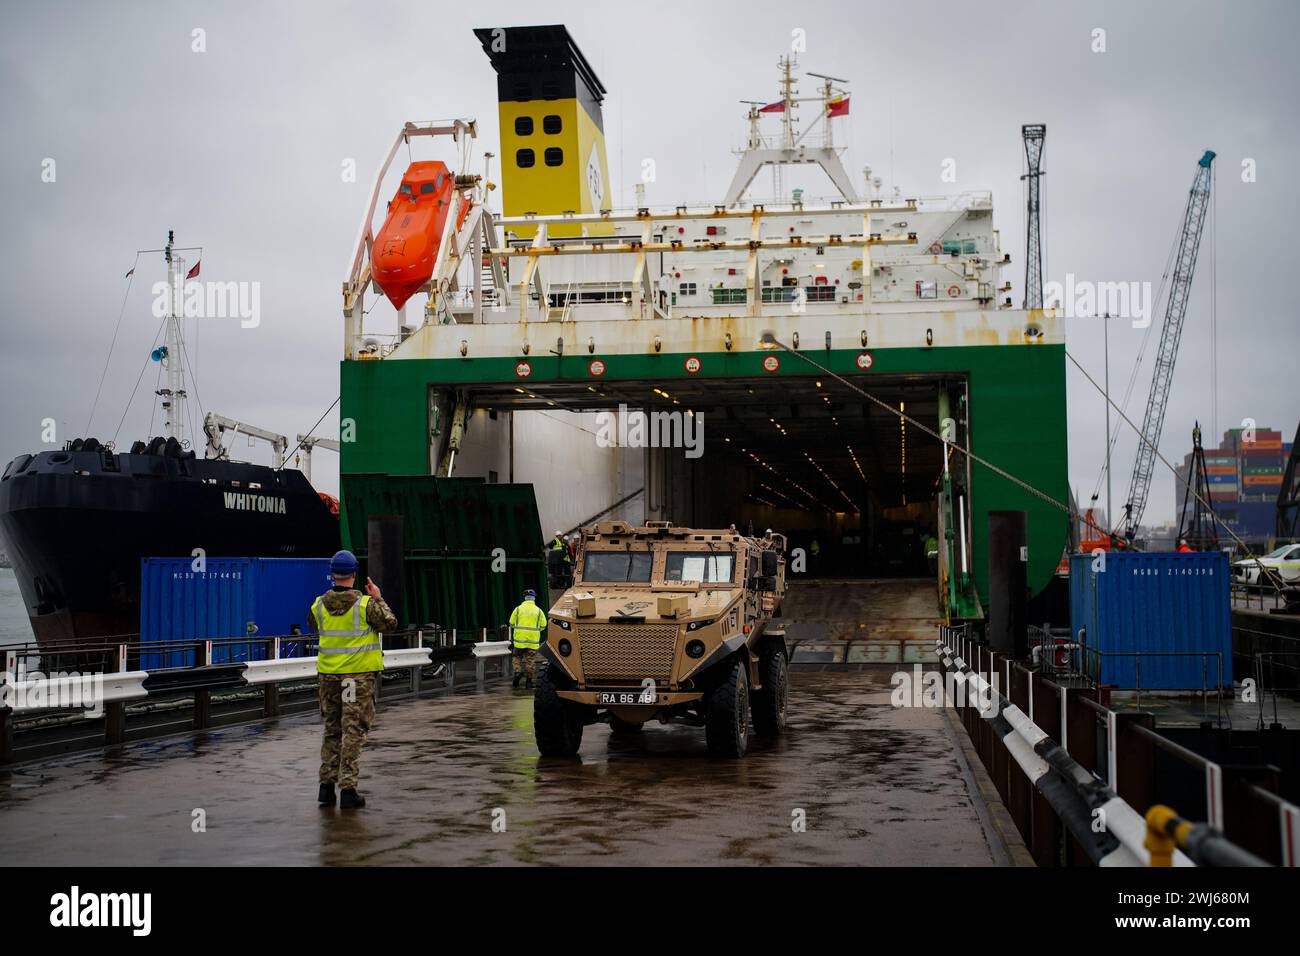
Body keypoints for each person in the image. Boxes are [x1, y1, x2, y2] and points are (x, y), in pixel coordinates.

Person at [310, 549, 397, 810]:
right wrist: (378, 598)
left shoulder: (317, 605)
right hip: (356, 680)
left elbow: (314, 626)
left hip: (328, 679)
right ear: (355, 574)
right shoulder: (366, 606)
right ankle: (348, 790)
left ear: (332, 573)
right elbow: (390, 624)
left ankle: (326, 788)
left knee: (331, 730)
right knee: (352, 731)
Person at [509, 587, 547, 689]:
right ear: (534, 598)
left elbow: (511, 623)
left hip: (519, 641)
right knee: (530, 660)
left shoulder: (517, 609)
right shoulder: (539, 611)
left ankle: (517, 673)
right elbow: (543, 625)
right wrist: (535, 631)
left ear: (525, 598)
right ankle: (529, 682)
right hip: (532, 642)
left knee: (516, 658)